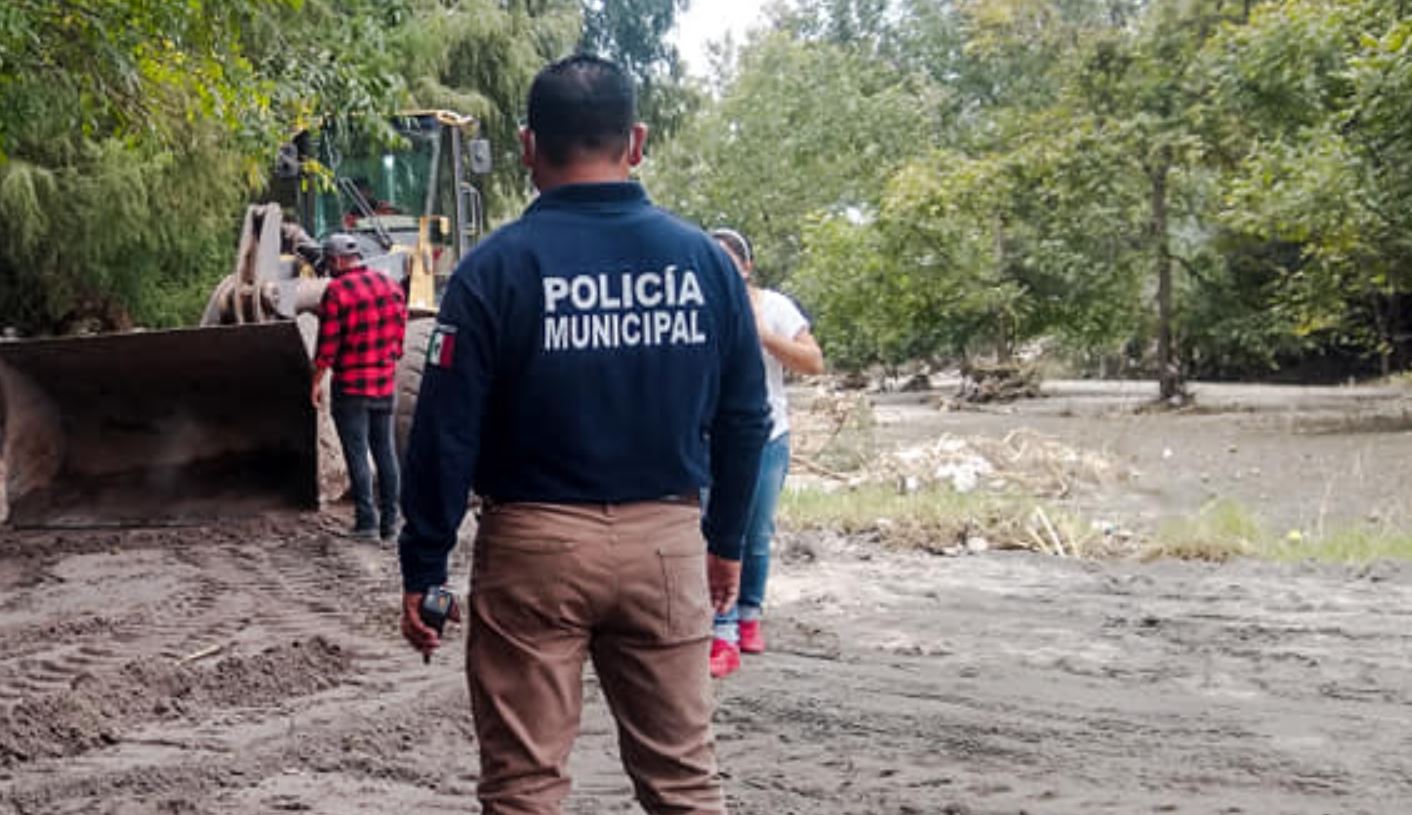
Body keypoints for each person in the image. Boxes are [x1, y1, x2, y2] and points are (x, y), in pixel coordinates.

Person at [396, 55, 770, 815]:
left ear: (530, 147)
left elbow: (444, 429)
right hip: (668, 543)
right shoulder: (705, 264)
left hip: (534, 550)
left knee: (524, 787)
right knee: (684, 783)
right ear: (636, 141)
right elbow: (745, 418)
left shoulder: (494, 269)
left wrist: (425, 564)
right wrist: (725, 542)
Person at [705, 227, 825, 679]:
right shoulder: (696, 304)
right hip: (707, 436)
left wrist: (761, 335)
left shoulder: (774, 306)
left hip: (767, 433)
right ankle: (724, 627)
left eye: (728, 264)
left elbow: (814, 362)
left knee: (755, 531)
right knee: (715, 531)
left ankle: (749, 611)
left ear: (746, 267)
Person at [311, 233, 407, 542]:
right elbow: (399, 339)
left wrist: (316, 382)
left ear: (337, 260)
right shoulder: (391, 286)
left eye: (328, 262)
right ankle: (391, 522)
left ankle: (366, 522)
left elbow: (327, 346)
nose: (328, 268)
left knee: (357, 453)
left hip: (351, 388)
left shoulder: (337, 291)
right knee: (386, 452)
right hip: (384, 385)